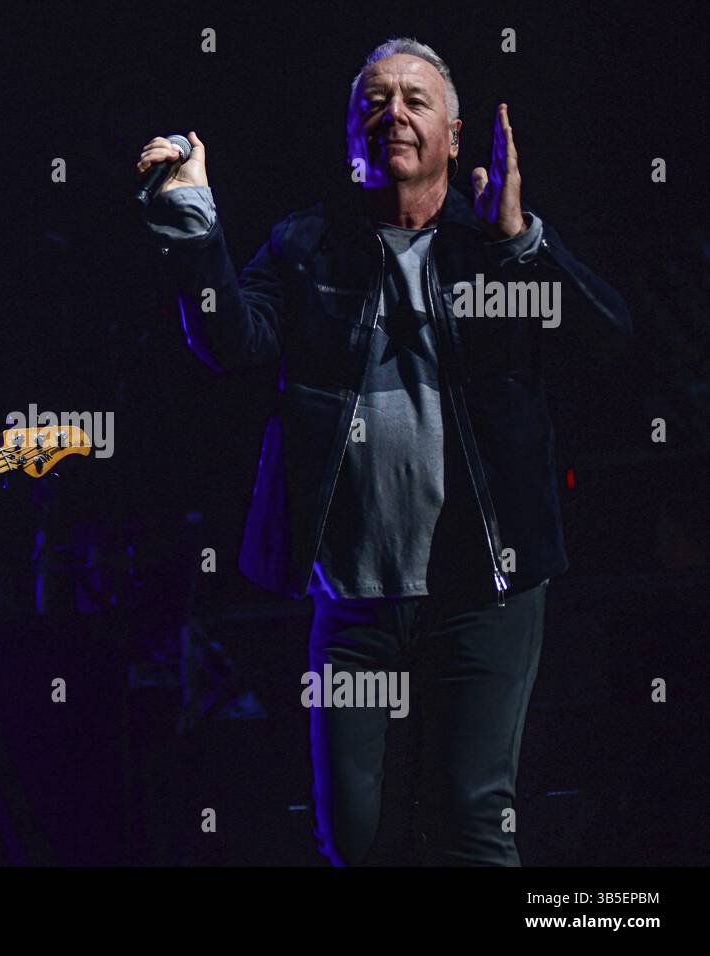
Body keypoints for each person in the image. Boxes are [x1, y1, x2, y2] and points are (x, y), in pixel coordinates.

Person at [137, 37, 630, 865]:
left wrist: (520, 244)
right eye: (374, 100)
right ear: (350, 135)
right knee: (354, 834)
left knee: (474, 820)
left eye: (414, 99)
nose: (392, 113)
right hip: (356, 604)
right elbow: (230, 341)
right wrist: (194, 223)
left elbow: (611, 347)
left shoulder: (495, 250)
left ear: (455, 134)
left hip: (485, 596)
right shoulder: (304, 247)